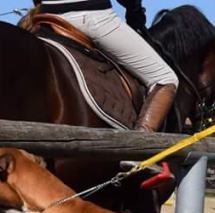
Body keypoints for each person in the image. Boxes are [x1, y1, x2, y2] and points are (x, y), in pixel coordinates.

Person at [37, 0, 178, 132]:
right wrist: (135, 12)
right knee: (165, 78)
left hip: (45, 18)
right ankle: (141, 142)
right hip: (92, 16)